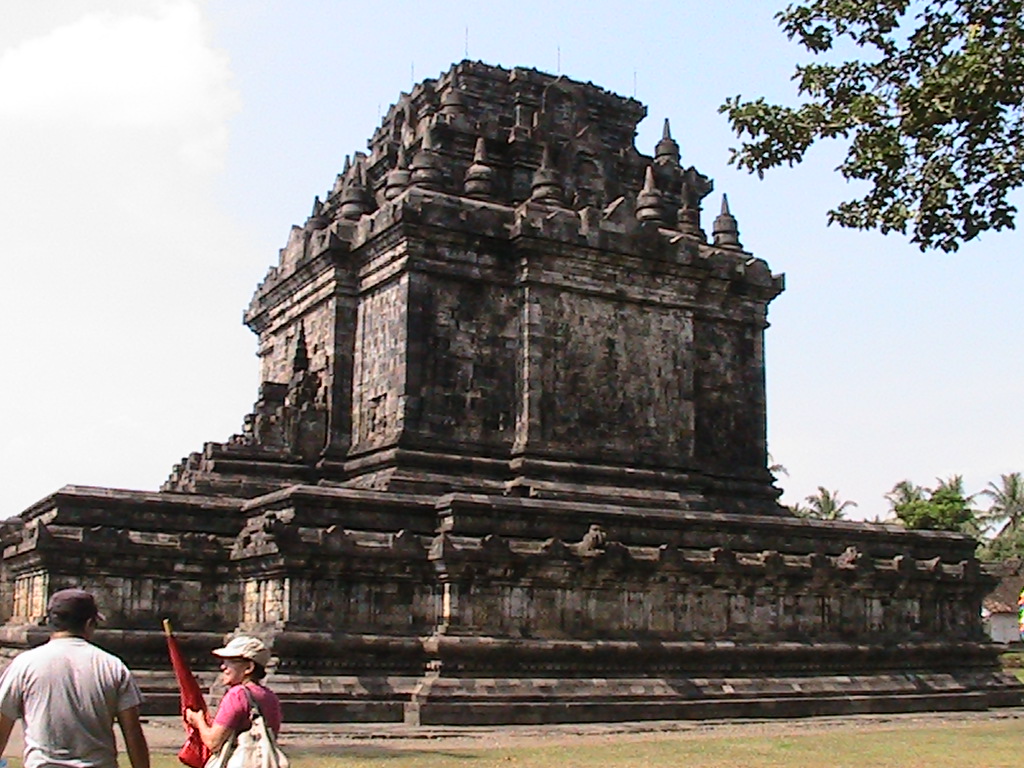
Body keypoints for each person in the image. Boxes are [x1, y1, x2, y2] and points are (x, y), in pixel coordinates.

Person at [0, 588, 150, 768]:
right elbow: (133, 733)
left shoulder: (24, 664)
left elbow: (2, 723)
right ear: (89, 623)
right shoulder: (112, 666)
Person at [184, 636, 282, 753]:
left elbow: (213, 743)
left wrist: (199, 720)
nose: (223, 666)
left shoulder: (237, 695)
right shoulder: (270, 697)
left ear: (249, 668)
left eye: (230, 662)